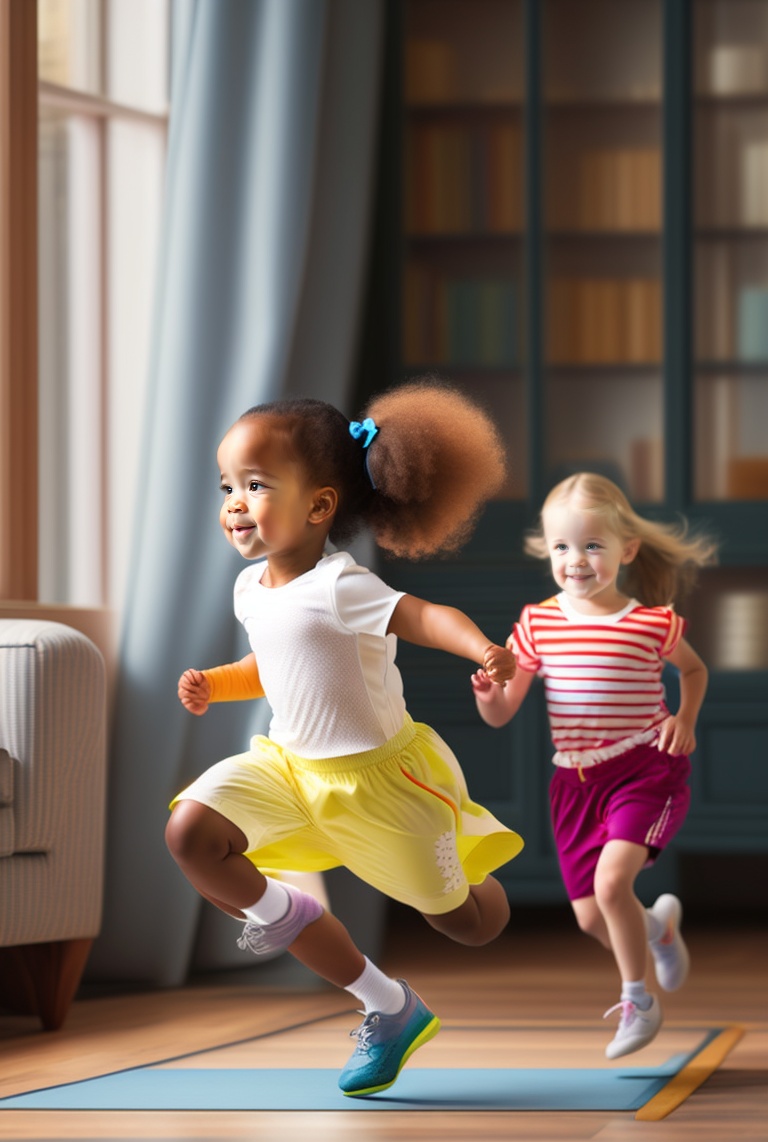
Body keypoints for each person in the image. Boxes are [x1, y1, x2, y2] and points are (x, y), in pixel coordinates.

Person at [165, 380, 524, 1097]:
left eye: (256, 484)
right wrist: (218, 681)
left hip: (381, 784)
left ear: (320, 505)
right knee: (192, 835)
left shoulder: (341, 585)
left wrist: (482, 647)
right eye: (227, 485)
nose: (234, 502)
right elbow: (270, 667)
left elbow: (424, 617)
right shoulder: (250, 588)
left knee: (468, 925)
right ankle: (374, 995)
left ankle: (470, 866)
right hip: (290, 768)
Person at [472, 472, 717, 1060]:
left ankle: (640, 1002)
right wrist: (488, 698)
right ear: (547, 550)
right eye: (561, 546)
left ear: (625, 550)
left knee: (612, 885)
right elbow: (505, 712)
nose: (575, 560)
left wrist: (684, 718)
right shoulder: (537, 623)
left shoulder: (651, 623)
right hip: (574, 782)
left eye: (591, 546)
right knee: (590, 918)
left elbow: (695, 670)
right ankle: (658, 929)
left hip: (644, 768)